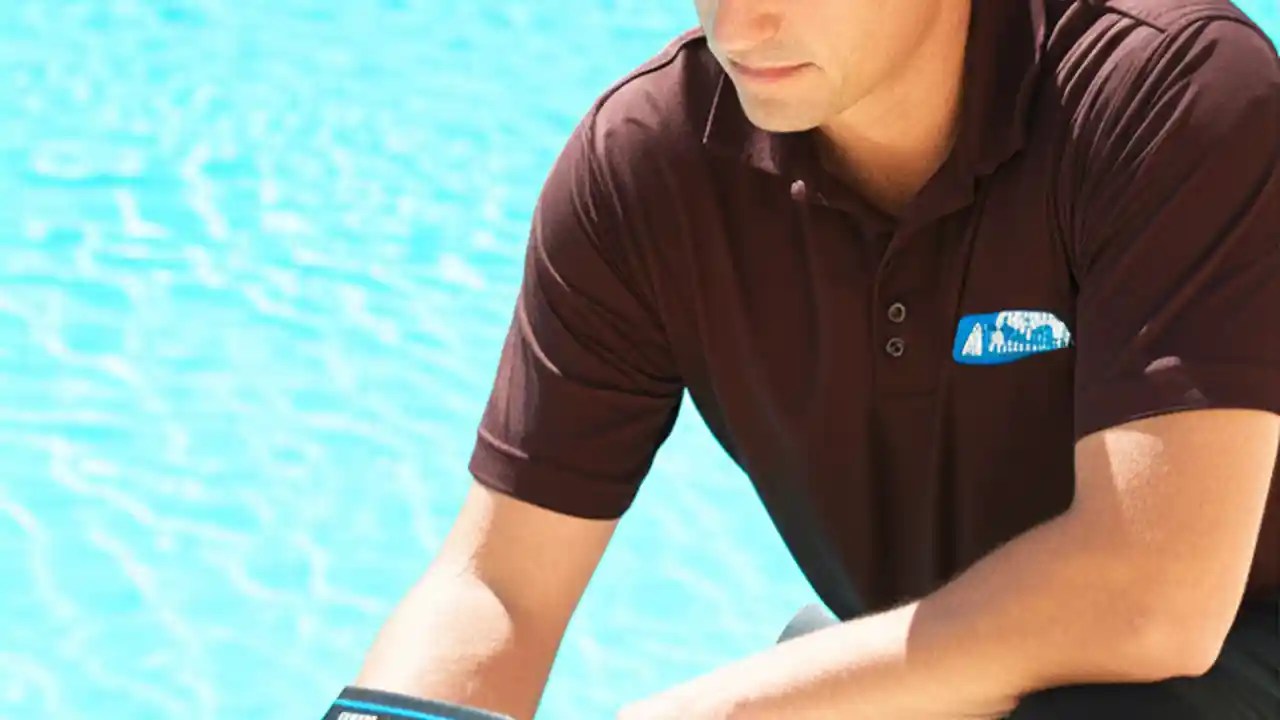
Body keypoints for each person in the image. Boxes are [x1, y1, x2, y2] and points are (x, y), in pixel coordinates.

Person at [338, 0, 1280, 717]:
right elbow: (500, 585)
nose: (737, 24)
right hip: (932, 675)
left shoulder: (1169, 89)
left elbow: (1153, 598)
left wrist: (714, 712)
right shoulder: (646, 168)